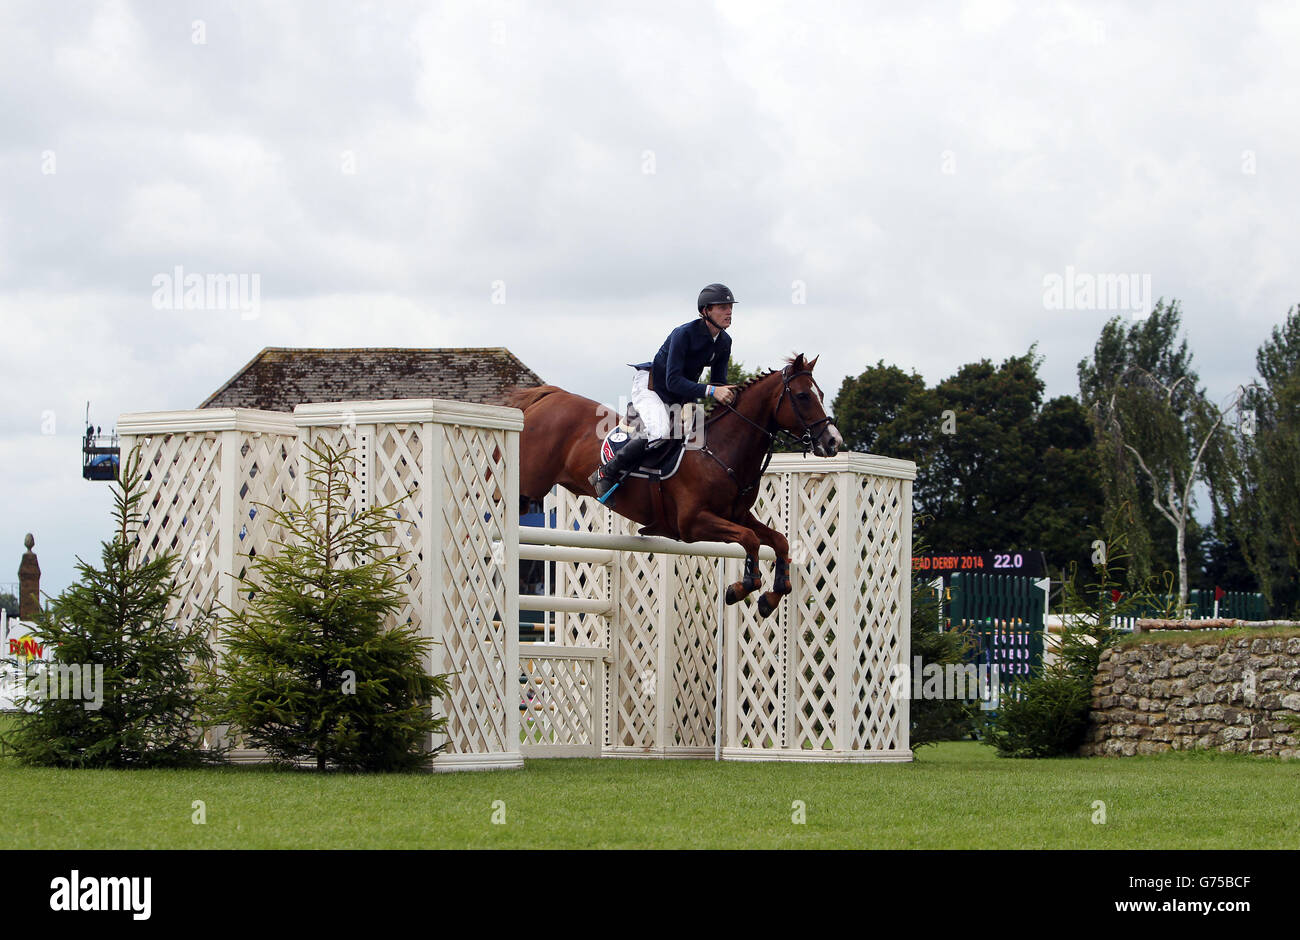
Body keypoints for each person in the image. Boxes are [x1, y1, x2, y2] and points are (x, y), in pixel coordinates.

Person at [591, 283, 738, 499]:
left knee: (697, 437)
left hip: (678, 396)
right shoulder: (683, 334)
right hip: (651, 387)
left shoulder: (724, 341)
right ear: (706, 311)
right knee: (659, 431)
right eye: (722, 307)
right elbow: (673, 381)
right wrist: (711, 391)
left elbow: (718, 384)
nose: (729, 311)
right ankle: (605, 473)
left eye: (730, 307)